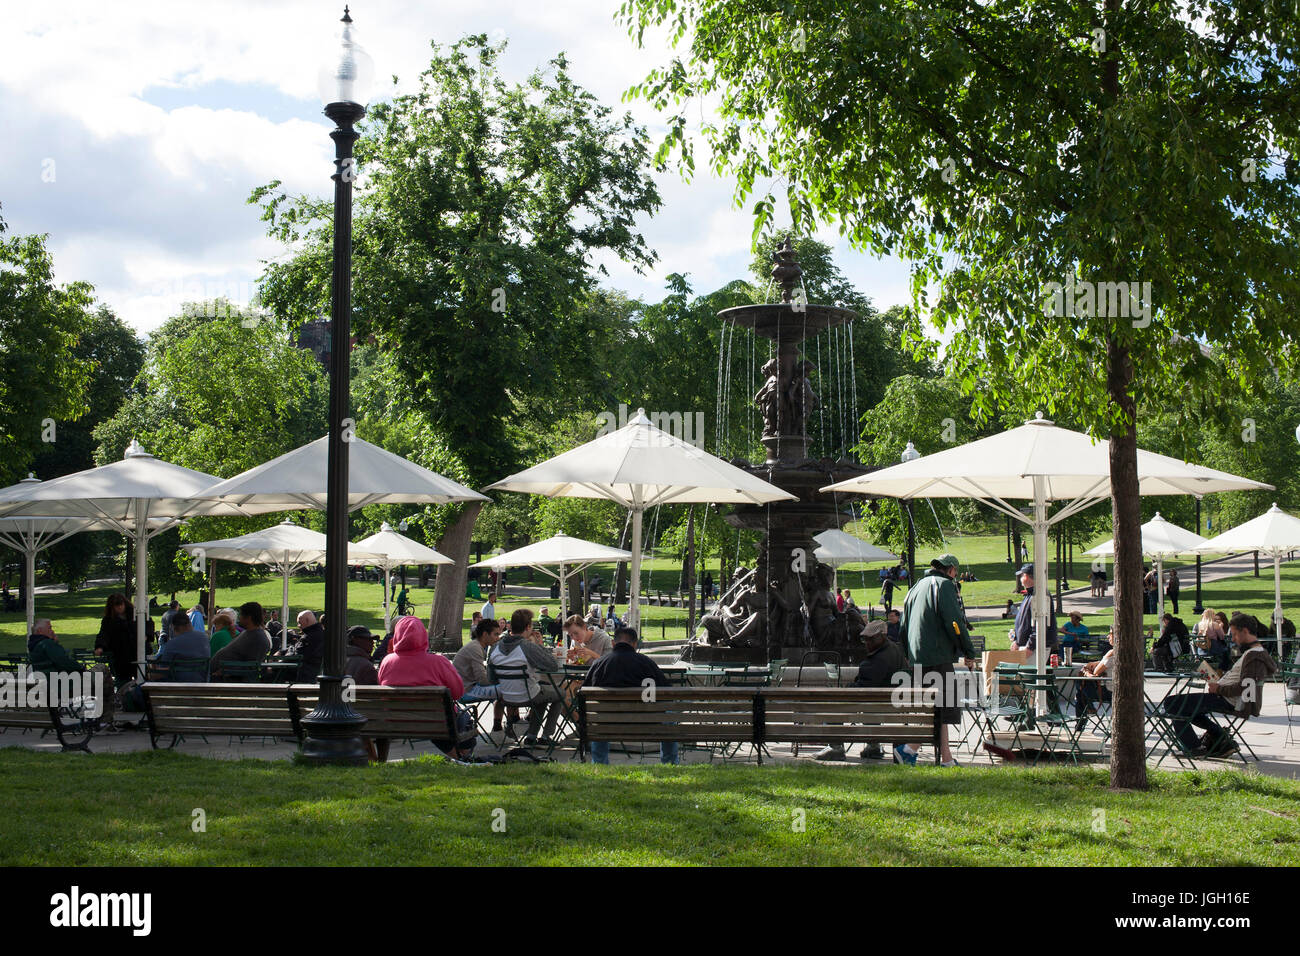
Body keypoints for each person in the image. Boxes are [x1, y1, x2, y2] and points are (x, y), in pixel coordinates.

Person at [897, 554, 977, 766]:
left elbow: (903, 626)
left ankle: (946, 759)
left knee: (934, 709)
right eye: (956, 573)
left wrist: (907, 653)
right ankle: (907, 749)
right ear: (951, 570)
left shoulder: (915, 587)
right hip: (937, 655)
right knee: (943, 708)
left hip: (917, 656)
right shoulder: (944, 586)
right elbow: (955, 623)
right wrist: (968, 651)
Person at [1161, 612, 1278, 756]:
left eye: (1235, 634)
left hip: (1228, 700)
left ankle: (1195, 747)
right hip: (1224, 697)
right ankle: (1220, 739)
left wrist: (1219, 689)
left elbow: (1247, 687)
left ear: (1245, 631)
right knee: (1184, 708)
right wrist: (1216, 682)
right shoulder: (1254, 653)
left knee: (1172, 704)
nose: (1233, 639)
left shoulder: (1255, 656)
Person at [377, 616, 473, 758]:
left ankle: (457, 756)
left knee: (440, 717)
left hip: (396, 721)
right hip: (436, 721)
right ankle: (461, 756)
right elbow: (458, 692)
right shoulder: (438, 662)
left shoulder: (387, 662)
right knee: (461, 717)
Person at [814, 620, 907, 761]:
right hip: (888, 703)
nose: (867, 643)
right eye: (865, 639)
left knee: (833, 703)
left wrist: (844, 690)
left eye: (871, 639)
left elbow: (861, 688)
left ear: (882, 637)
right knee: (871, 705)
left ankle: (835, 747)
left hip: (875, 702)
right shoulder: (894, 650)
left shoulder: (878, 660)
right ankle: (873, 745)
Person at [584, 625, 678, 764]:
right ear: (634, 644)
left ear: (613, 643)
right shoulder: (646, 662)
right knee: (669, 714)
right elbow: (666, 691)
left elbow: (584, 692)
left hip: (607, 721)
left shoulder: (600, 664)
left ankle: (599, 763)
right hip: (646, 720)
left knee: (598, 718)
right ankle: (670, 763)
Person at [488, 608, 564, 748]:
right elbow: (552, 665)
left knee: (542, 693)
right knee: (560, 693)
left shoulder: (495, 648)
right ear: (528, 626)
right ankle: (546, 736)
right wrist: (540, 645)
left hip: (505, 696)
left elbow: (491, 678)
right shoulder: (527, 647)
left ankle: (531, 737)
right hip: (529, 694)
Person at [210, 602, 271, 676]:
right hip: (216, 673)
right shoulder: (248, 632)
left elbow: (250, 666)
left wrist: (225, 671)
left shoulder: (257, 638)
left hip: (224, 679)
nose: (239, 618)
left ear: (249, 618)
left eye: (241, 615)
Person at [1073, 630, 1117, 732]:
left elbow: (1097, 671)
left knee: (1079, 683)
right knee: (1081, 693)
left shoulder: (1113, 652)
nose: (1107, 636)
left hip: (1109, 692)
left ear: (1117, 636)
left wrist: (1092, 668)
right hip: (1124, 691)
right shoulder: (1129, 651)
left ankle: (1086, 713)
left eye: (1110, 633)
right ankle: (1087, 711)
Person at [1012, 564, 1057, 660]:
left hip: (1035, 649)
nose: (1020, 579)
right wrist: (1017, 640)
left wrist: (1029, 647)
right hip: (1027, 647)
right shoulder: (1031, 594)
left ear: (1026, 576)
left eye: (1021, 575)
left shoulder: (1039, 595)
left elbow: (1041, 624)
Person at [453, 617, 502, 703]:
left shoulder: (476, 645)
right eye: (496, 634)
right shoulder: (475, 648)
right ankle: (513, 716)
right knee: (507, 689)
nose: (498, 638)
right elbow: (482, 679)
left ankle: (499, 716)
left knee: (505, 688)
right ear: (485, 634)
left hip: (467, 688)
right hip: (465, 692)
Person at [153, 610, 211, 681]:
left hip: (177, 683)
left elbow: (163, 669)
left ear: (174, 627)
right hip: (201, 681)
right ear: (189, 623)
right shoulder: (204, 638)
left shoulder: (172, 644)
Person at [94, 593, 137, 688]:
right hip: (120, 655)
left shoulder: (136, 614)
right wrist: (100, 646)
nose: (120, 608)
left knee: (141, 680)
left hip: (137, 652)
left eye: (121, 604)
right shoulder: (108, 620)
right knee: (123, 682)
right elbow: (103, 634)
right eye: (117, 606)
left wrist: (146, 635)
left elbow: (147, 624)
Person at [289, 610, 326, 681]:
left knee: (268, 674)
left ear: (307, 621)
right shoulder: (316, 633)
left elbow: (297, 655)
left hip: (302, 673)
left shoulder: (310, 636)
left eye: (299, 623)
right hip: (307, 671)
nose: (298, 626)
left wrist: (280, 660)